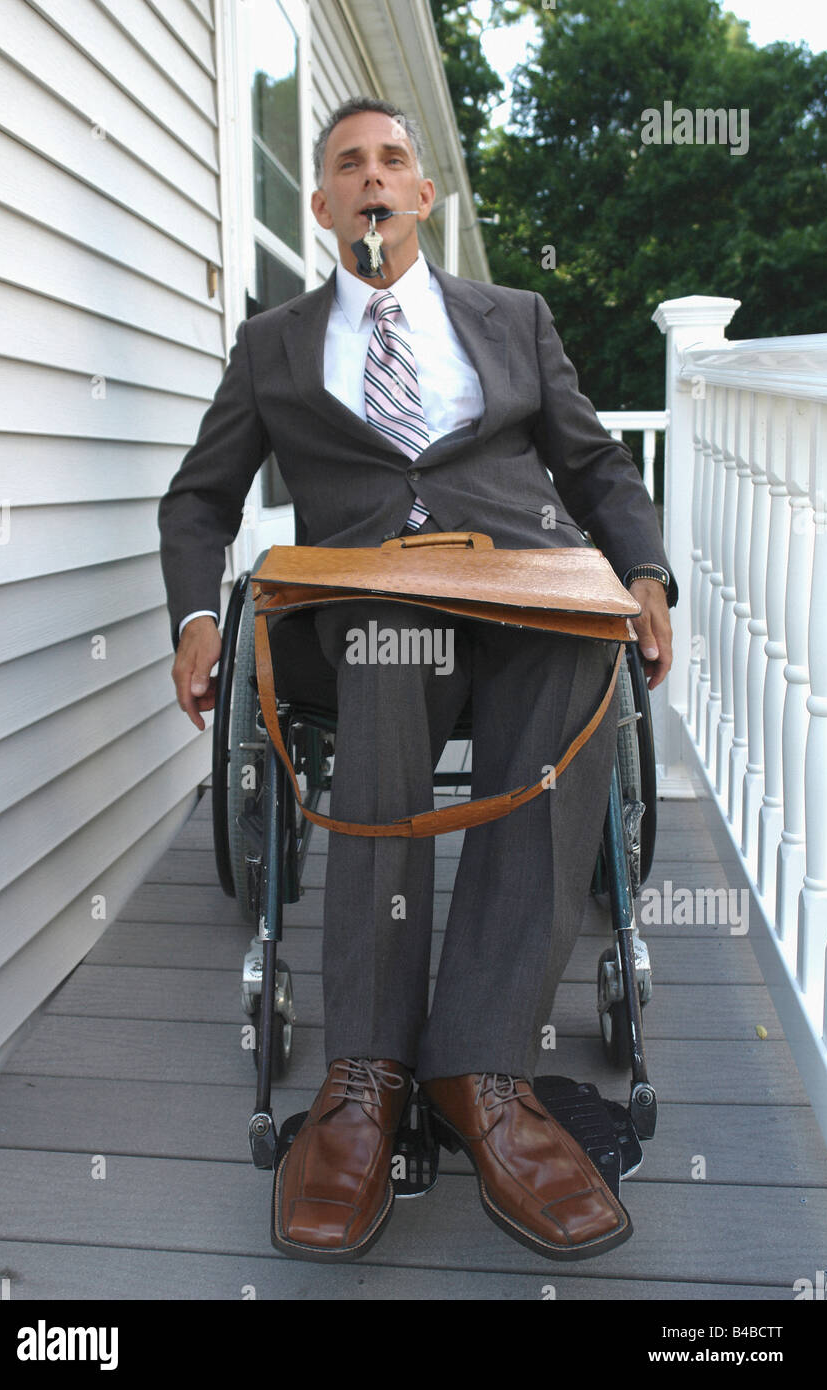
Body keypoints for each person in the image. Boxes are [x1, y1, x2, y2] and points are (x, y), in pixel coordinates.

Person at [158, 97, 676, 1266]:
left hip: (522, 579)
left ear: (423, 197)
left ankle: (478, 1063)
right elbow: (199, 498)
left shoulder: (513, 318)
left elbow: (594, 465)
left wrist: (641, 570)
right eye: (349, 165)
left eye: (394, 159)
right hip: (364, 597)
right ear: (325, 204)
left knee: (575, 647)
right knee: (391, 642)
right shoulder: (275, 344)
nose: (373, 177)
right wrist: (197, 615)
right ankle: (367, 1070)